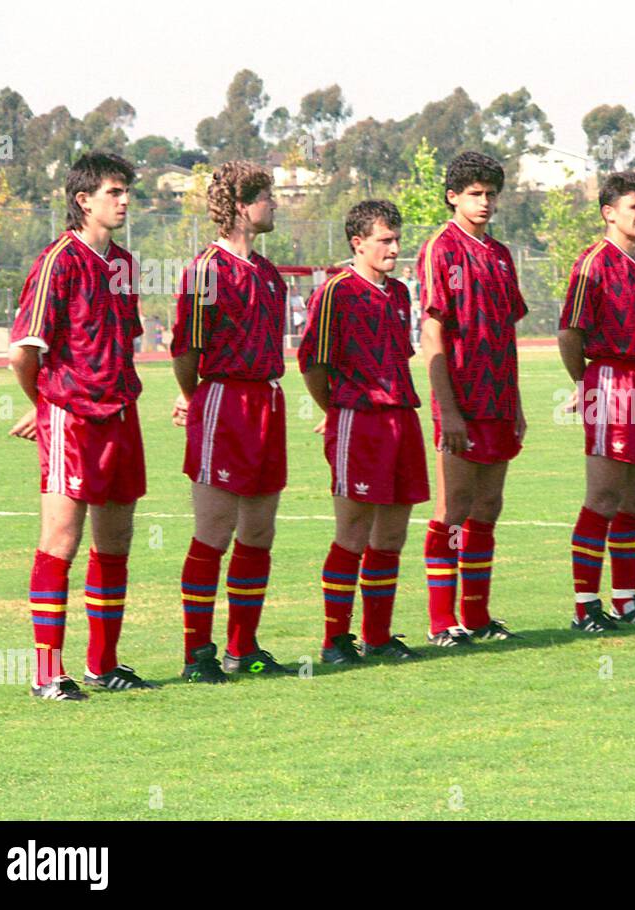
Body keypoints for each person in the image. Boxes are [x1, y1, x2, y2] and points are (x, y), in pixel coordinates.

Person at [7, 151, 155, 699]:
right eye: (114, 192)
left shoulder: (125, 264)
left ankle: (104, 663)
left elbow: (123, 340)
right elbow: (24, 353)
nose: (123, 201)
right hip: (72, 420)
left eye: (126, 192)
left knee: (115, 541)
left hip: (121, 415)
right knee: (60, 541)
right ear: (83, 199)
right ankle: (48, 673)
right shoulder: (58, 261)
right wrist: (45, 403)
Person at [171, 160, 295, 682]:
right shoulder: (206, 271)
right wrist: (194, 399)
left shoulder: (268, 274)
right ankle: (197, 654)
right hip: (224, 401)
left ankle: (242, 649)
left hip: (268, 401)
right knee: (213, 532)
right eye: (267, 195)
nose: (275, 204)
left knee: (259, 532)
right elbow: (186, 349)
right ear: (242, 206)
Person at [299, 200, 428, 664]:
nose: (394, 248)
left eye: (396, 239)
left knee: (391, 535)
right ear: (358, 243)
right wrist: (335, 410)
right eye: (385, 240)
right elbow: (314, 364)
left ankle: (378, 635)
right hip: (359, 418)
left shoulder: (398, 294)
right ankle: (335, 640)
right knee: (352, 531)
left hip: (402, 418)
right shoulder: (335, 291)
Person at [416, 151, 527, 647]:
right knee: (454, 506)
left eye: (490, 194)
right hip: (461, 401)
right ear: (452, 196)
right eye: (474, 194)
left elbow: (506, 331)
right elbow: (432, 333)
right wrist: (449, 409)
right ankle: (442, 622)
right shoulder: (440, 248)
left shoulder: (501, 254)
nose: (483, 203)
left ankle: (477, 617)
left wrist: (518, 403)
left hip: (499, 399)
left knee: (489, 506)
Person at [558, 171, 635, 632]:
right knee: (603, 495)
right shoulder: (592, 264)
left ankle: (625, 600)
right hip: (611, 381)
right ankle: (586, 606)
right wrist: (587, 383)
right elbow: (569, 333)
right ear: (609, 213)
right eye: (634, 207)